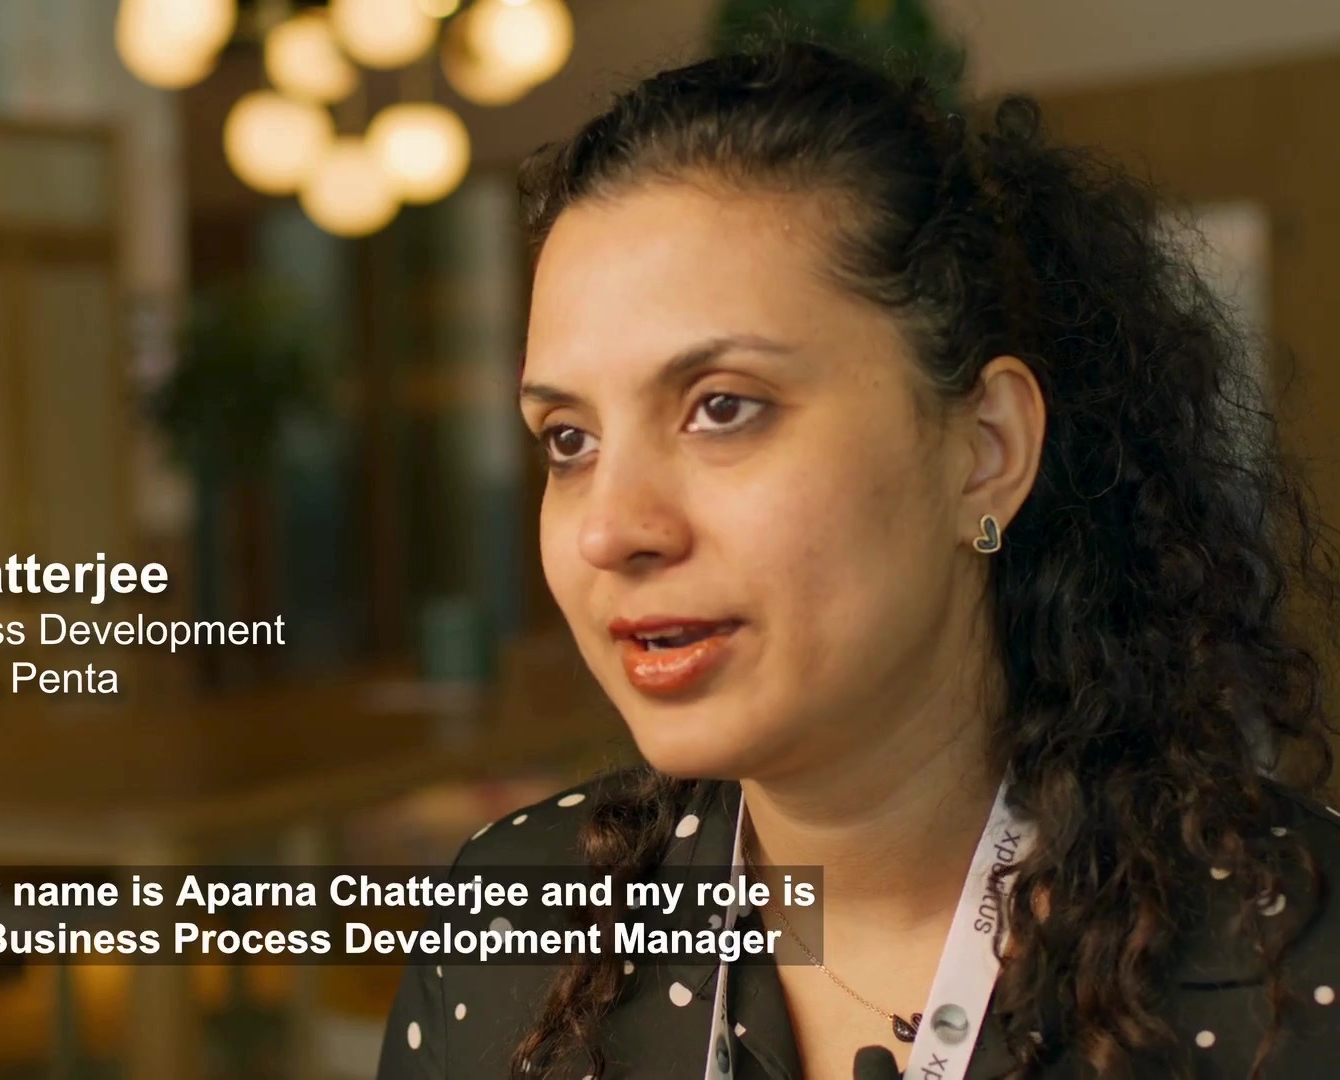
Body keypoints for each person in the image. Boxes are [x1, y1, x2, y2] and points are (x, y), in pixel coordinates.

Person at [375, 39, 1340, 1080]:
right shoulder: (516, 923)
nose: (610, 530)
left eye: (722, 408)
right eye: (569, 439)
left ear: (984, 451)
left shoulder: (1299, 972)